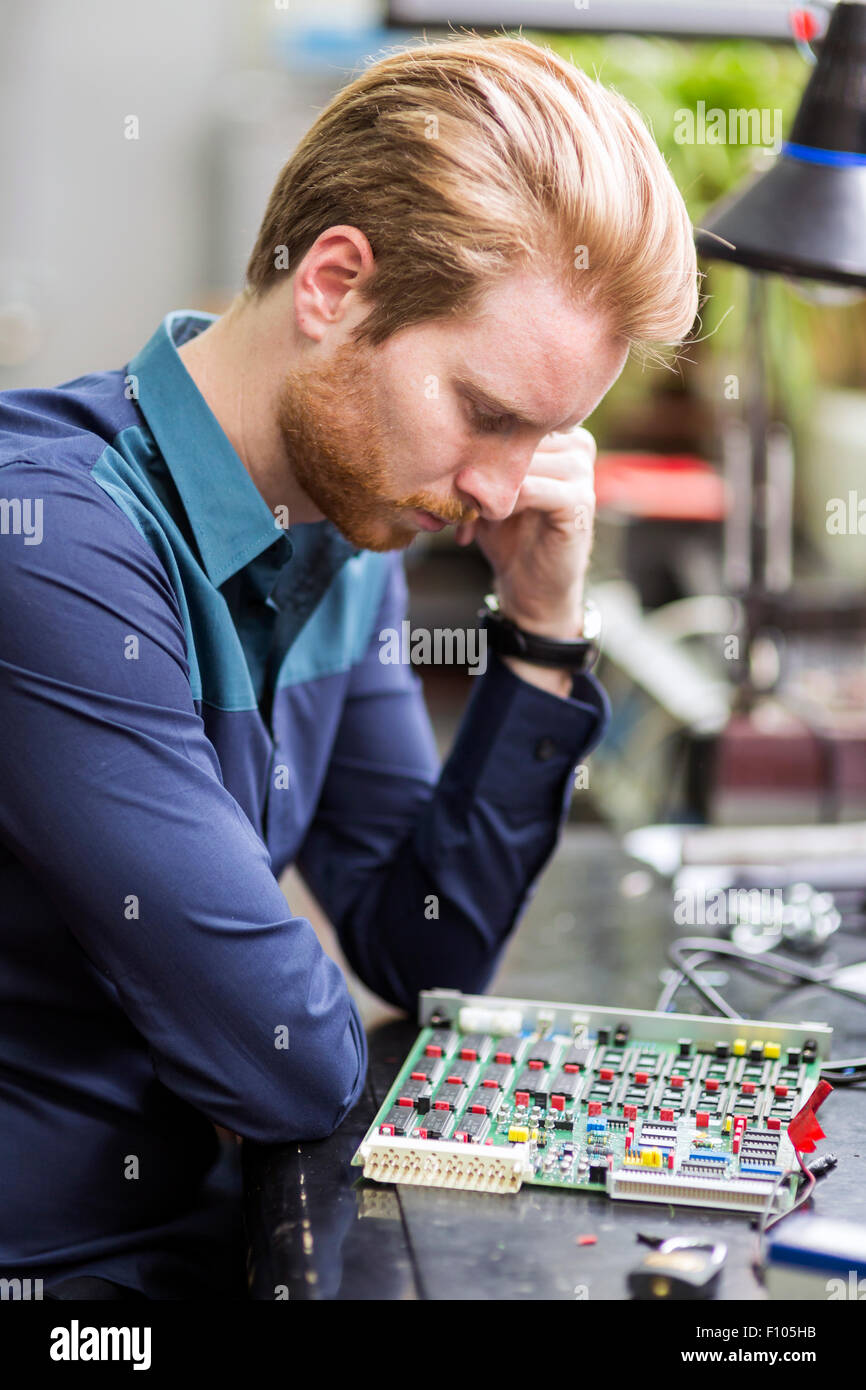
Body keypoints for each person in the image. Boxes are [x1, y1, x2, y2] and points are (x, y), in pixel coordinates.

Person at [0, 33, 697, 1299]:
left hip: (208, 1235)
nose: (499, 487)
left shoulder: (343, 533)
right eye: (487, 412)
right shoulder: (50, 549)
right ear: (332, 285)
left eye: (544, 436)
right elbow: (287, 1059)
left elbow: (416, 949)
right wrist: (257, 990)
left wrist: (540, 627)